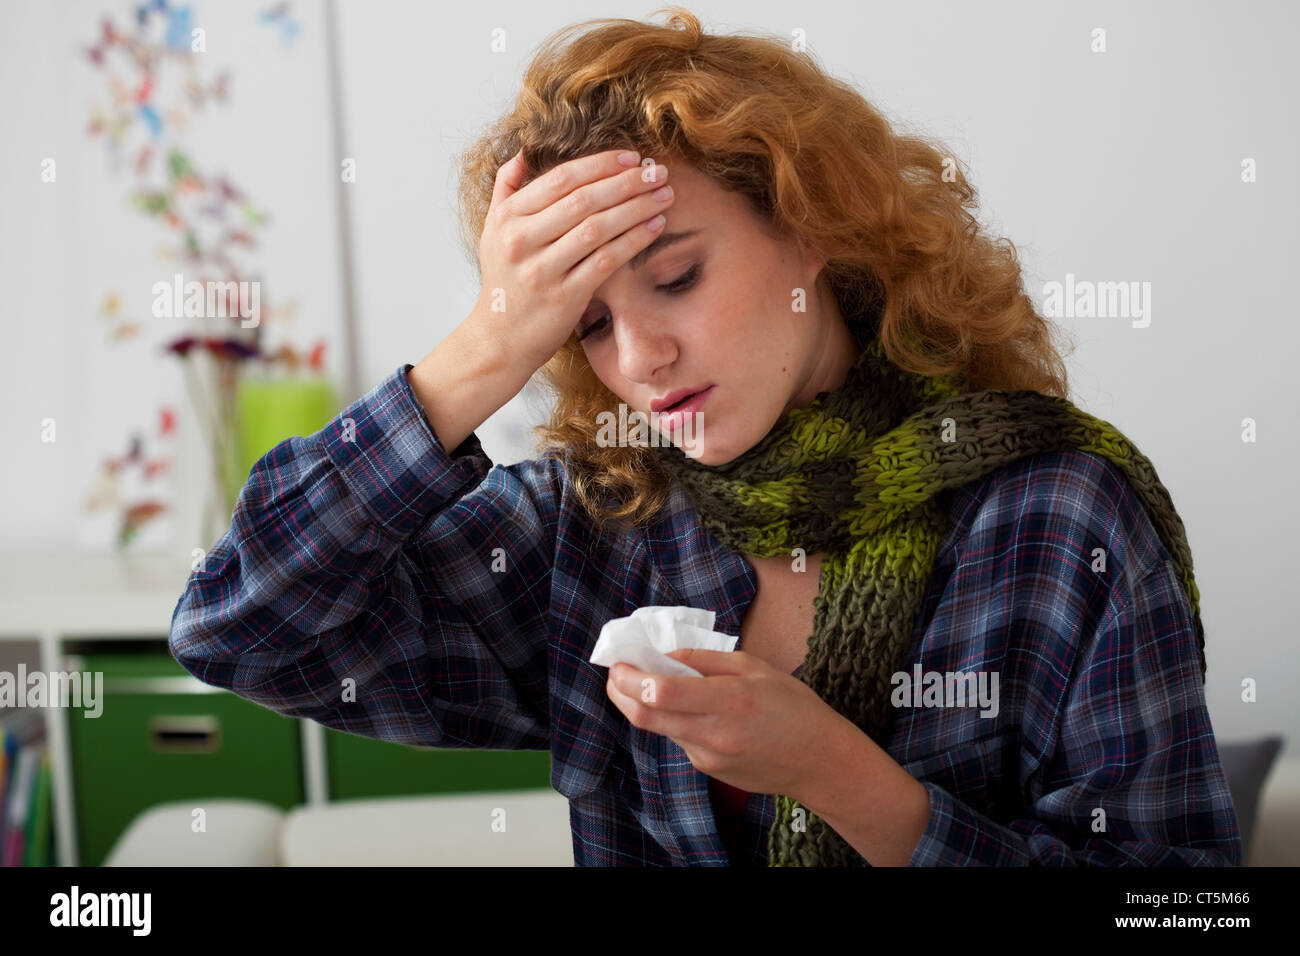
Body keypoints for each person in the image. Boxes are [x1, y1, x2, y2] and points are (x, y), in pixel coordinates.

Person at [169, 9, 1242, 866]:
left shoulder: (1056, 513)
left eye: (676, 275)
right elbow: (240, 624)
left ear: (810, 224)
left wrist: (844, 778)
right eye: (585, 319)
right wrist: (482, 349)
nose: (639, 357)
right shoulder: (598, 522)